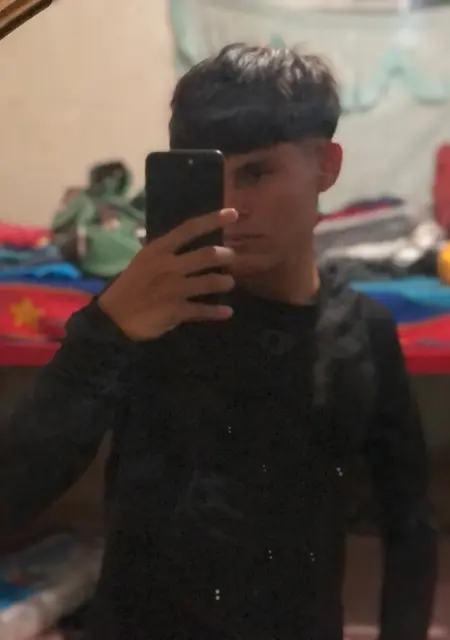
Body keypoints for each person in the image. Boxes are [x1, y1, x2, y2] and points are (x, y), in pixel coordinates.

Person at [0, 44, 437, 640]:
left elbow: (410, 520)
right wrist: (103, 332)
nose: (230, 207)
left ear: (326, 165)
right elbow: (13, 492)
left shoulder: (363, 330)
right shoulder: (145, 315)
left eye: (256, 172)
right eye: (211, 176)